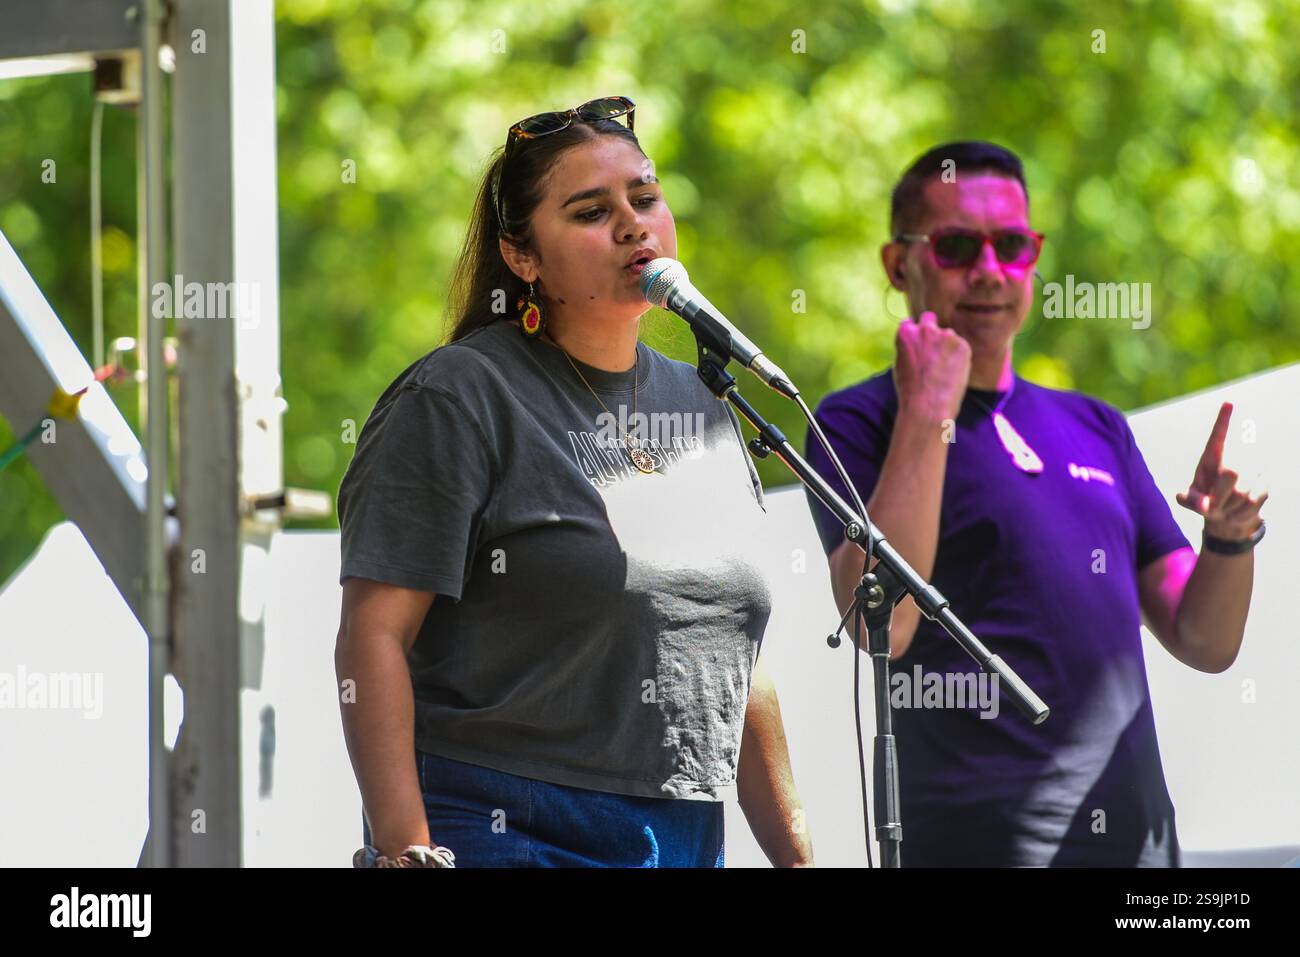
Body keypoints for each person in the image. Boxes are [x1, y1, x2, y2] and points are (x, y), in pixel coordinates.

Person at [335, 96, 813, 868]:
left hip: (684, 833)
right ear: (523, 258)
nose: (633, 225)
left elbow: (733, 659)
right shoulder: (461, 395)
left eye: (645, 197)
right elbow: (374, 634)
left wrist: (797, 857)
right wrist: (405, 846)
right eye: (591, 211)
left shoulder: (705, 403)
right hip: (507, 822)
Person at [803, 141, 1266, 867]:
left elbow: (1204, 639)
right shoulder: (857, 421)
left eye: (1013, 245)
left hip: (1143, 850)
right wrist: (929, 410)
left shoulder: (1097, 425)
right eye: (957, 246)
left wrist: (1229, 541)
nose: (990, 270)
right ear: (900, 265)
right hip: (977, 848)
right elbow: (882, 623)